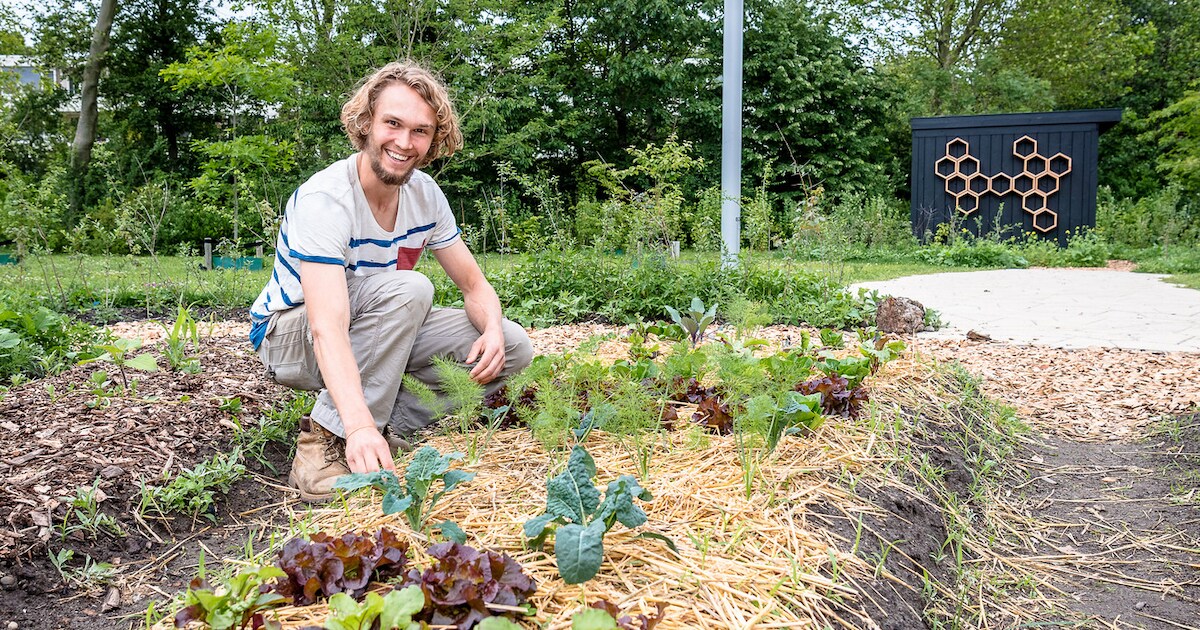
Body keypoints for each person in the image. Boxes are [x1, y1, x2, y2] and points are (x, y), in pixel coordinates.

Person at [248, 61, 533, 501]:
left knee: (513, 345)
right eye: (392, 124)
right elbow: (326, 326)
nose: (404, 142)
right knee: (411, 289)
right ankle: (325, 441)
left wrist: (492, 329)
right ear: (366, 124)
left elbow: (475, 288)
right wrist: (356, 424)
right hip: (290, 335)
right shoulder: (328, 199)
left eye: (420, 131)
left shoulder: (425, 195)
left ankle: (388, 429)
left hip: (374, 323)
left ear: (434, 139)